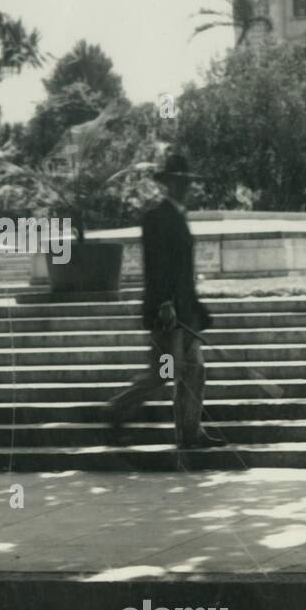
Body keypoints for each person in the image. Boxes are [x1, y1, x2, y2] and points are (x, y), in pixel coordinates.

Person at [104, 150, 225, 452]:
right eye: (178, 181)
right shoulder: (155, 218)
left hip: (185, 312)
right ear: (167, 183)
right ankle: (117, 410)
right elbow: (156, 268)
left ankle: (190, 432)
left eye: (186, 181)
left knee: (194, 370)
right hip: (167, 314)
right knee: (163, 373)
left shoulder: (179, 217)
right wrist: (164, 305)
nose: (184, 186)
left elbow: (184, 272)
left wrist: (197, 309)